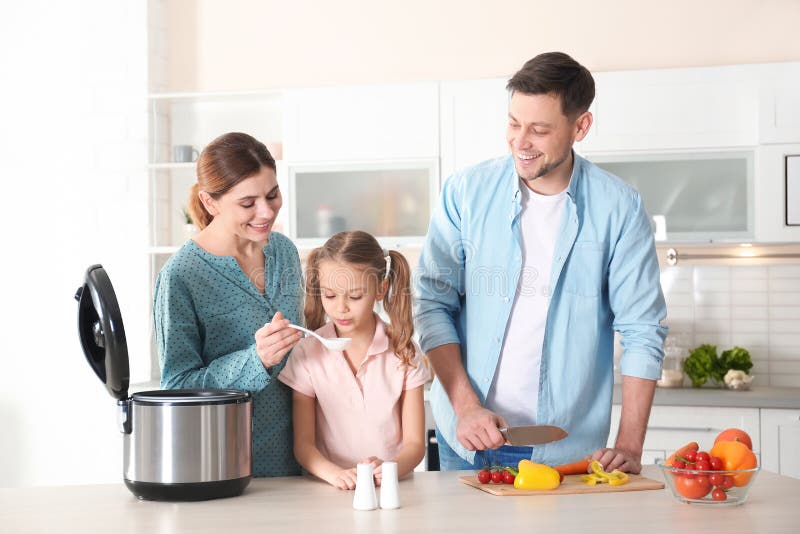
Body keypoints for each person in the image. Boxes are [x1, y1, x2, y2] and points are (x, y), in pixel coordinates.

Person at [415, 52, 668, 474]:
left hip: (566, 452)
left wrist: (629, 444)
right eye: (514, 123)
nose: (520, 141)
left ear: (580, 127)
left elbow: (643, 328)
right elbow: (433, 302)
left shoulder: (619, 208)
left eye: (539, 129)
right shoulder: (465, 192)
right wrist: (465, 407)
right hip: (467, 441)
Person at [154, 132, 304, 477]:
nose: (266, 212)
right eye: (248, 203)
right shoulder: (181, 276)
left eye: (272, 194)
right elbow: (178, 387)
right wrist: (256, 359)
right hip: (225, 464)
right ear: (210, 203)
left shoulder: (284, 252)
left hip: (302, 462)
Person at [279, 231, 429, 490]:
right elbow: (304, 445)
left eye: (355, 296)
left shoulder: (405, 352)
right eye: (329, 295)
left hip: (392, 489)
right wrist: (336, 475)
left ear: (380, 289)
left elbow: (415, 444)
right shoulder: (307, 354)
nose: (341, 308)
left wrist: (390, 469)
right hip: (325, 490)